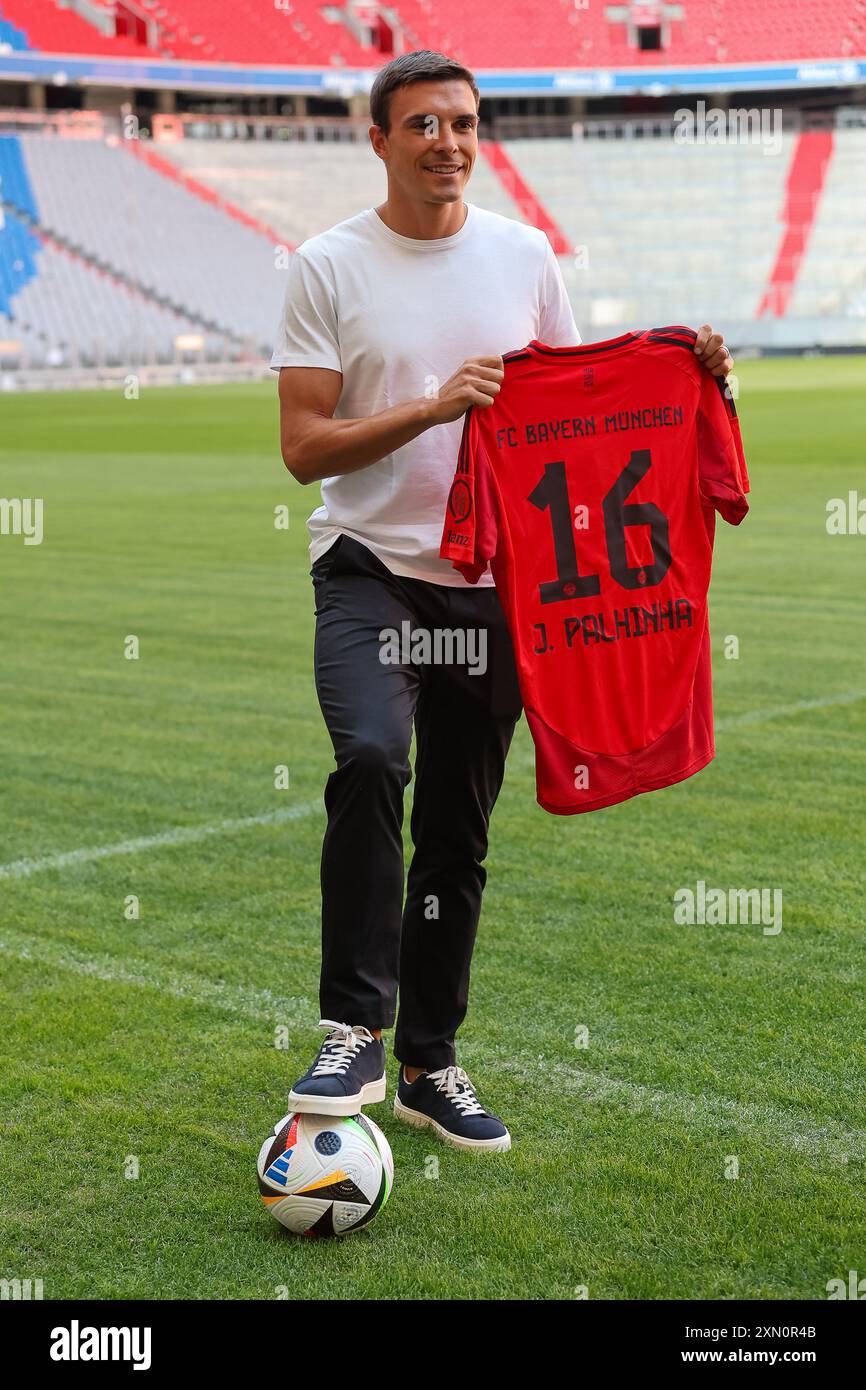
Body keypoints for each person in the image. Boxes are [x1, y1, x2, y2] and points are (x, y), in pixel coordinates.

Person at [272, 50, 734, 1153]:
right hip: (370, 569)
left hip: (492, 591)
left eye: (464, 123)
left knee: (456, 834)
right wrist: (432, 409)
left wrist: (692, 369)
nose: (447, 141)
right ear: (377, 138)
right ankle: (352, 1027)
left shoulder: (524, 254)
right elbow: (302, 448)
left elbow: (579, 414)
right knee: (373, 756)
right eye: (422, 122)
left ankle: (430, 1060)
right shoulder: (325, 267)